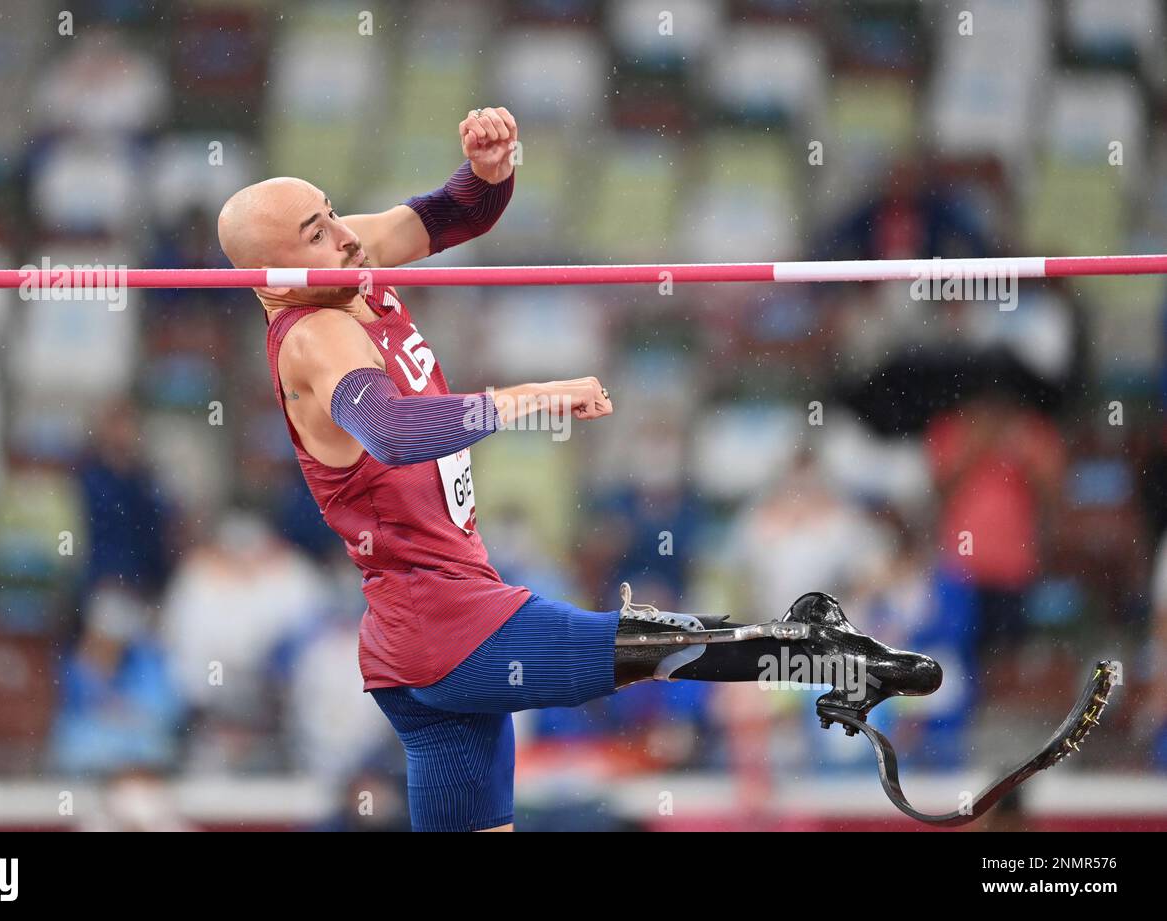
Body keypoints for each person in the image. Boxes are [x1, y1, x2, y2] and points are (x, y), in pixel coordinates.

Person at [217, 106, 942, 832]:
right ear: (272, 272)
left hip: (421, 641)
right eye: (317, 232)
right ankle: (824, 656)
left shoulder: (342, 264)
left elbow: (452, 215)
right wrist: (531, 398)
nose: (346, 235)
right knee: (654, 646)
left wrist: (488, 174)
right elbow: (393, 431)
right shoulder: (316, 335)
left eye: (332, 213)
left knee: (644, 655)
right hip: (447, 631)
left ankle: (820, 653)